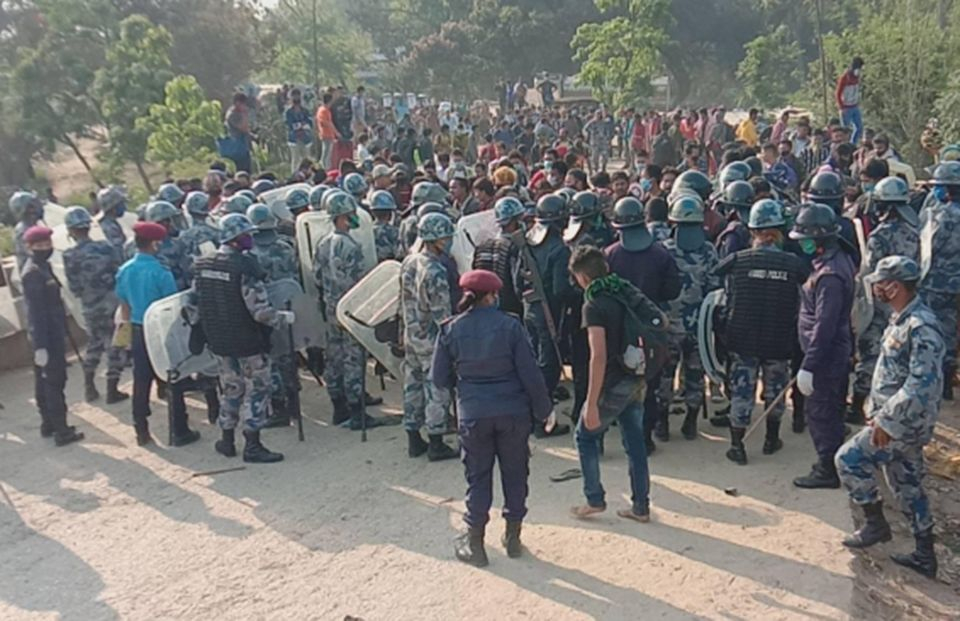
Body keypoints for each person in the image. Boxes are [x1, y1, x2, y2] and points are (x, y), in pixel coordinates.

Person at [432, 269, 554, 567]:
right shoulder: (510, 326)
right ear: (492, 295)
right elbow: (530, 374)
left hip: (474, 416)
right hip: (513, 414)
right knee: (515, 474)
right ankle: (513, 538)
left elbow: (438, 377)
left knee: (478, 478)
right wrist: (544, 410)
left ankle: (476, 545)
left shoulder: (450, 328)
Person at [835, 256, 942, 579]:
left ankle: (875, 524)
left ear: (894, 286)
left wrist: (887, 421)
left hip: (901, 425)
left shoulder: (921, 327)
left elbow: (921, 384)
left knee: (848, 459)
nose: (876, 288)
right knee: (907, 486)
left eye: (881, 283)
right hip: (895, 421)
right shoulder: (901, 319)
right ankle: (925, 554)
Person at [568, 245, 665, 522]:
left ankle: (594, 499)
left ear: (583, 278)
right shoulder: (624, 291)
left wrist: (591, 402)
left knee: (584, 437)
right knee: (634, 443)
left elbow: (597, 356)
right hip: (637, 375)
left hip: (613, 381)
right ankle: (640, 506)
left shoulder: (594, 305)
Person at [191, 214, 292, 463]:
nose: (250, 238)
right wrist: (284, 318)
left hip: (219, 341)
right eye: (246, 234)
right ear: (236, 239)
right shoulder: (244, 266)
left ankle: (226, 440)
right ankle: (253, 445)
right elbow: (259, 311)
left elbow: (194, 303)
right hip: (248, 342)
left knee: (231, 388)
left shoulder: (203, 264)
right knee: (258, 389)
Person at [714, 199, 805, 463]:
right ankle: (770, 439)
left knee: (742, 392)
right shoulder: (794, 264)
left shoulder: (738, 260)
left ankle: (737, 447)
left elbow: (717, 285)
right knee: (775, 393)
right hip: (779, 341)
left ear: (752, 232)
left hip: (742, 340)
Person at [115, 222, 200, 447]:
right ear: (155, 244)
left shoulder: (124, 270)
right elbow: (170, 307)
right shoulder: (161, 272)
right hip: (160, 331)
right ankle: (179, 430)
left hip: (136, 328)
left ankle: (140, 428)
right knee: (174, 376)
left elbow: (124, 305)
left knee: (141, 380)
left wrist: (125, 338)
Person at [790, 203, 856, 488]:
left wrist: (809, 365)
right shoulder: (834, 261)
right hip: (832, 353)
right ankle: (834, 459)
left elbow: (824, 326)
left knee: (821, 412)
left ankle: (827, 469)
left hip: (826, 356)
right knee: (831, 409)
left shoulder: (829, 275)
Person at [314, 192, 386, 430]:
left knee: (334, 359)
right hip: (350, 312)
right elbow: (358, 285)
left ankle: (338, 407)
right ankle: (357, 412)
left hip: (332, 311)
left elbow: (317, 278)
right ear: (343, 217)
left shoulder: (322, 244)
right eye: (351, 215)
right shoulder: (350, 246)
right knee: (353, 360)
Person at [850, 177, 919, 423]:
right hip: (906, 301)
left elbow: (868, 274)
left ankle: (858, 406)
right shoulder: (914, 233)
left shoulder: (879, 236)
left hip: (880, 302)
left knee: (869, 353)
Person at [658, 194, 720, 441]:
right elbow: (716, 288)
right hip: (699, 327)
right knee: (695, 374)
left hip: (669, 325)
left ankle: (662, 424)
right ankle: (691, 422)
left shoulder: (664, 250)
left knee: (665, 374)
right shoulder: (708, 251)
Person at [400, 212, 459, 460]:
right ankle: (436, 441)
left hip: (411, 334)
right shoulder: (435, 271)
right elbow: (442, 315)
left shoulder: (409, 261)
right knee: (438, 387)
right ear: (437, 239)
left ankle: (414, 438)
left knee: (412, 385)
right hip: (430, 338)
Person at [20, 225, 85, 446]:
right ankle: (61, 430)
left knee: (44, 381)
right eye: (39, 245)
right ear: (29, 247)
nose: (44, 248)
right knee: (54, 382)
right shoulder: (32, 273)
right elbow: (35, 313)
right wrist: (40, 346)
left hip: (52, 333)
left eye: (47, 244)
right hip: (46, 338)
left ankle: (48, 424)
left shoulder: (42, 267)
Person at [62, 207, 128, 404]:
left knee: (94, 344)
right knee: (117, 344)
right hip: (111, 303)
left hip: (90, 306)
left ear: (71, 231)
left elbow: (74, 287)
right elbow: (119, 272)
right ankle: (112, 389)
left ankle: (89, 385)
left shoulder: (68, 256)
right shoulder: (105, 248)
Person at [523, 194, 575, 433]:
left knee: (533, 364)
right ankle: (541, 421)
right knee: (549, 367)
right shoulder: (559, 250)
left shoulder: (526, 243)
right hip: (550, 315)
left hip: (530, 311)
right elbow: (561, 290)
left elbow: (517, 282)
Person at [918, 161, 960, 400]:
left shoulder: (942, 215)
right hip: (956, 283)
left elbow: (928, 247)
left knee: (931, 329)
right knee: (951, 328)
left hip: (935, 282)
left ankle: (932, 379)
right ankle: (948, 376)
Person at [472, 197, 525, 317]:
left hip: (484, 310)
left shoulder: (482, 246)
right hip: (510, 311)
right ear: (514, 221)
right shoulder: (515, 247)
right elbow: (518, 285)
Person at [284, 88, 314, 174]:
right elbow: (290, 125)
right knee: (295, 159)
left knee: (307, 159)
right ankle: (295, 176)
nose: (296, 98)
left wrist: (301, 125)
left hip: (306, 138)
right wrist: (301, 124)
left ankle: (308, 175)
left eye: (298, 95)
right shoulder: (288, 112)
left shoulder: (305, 110)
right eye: (294, 96)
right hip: (294, 139)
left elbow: (310, 123)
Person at [836, 57, 864, 145]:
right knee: (845, 130)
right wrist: (841, 106)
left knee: (859, 128)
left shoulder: (857, 77)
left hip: (855, 106)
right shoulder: (845, 78)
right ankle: (845, 145)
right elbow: (838, 93)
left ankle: (853, 144)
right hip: (846, 108)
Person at [224, 92, 253, 173]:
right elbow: (243, 128)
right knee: (242, 170)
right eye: (243, 104)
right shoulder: (232, 115)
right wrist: (244, 114)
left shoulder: (239, 113)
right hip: (238, 146)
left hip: (244, 145)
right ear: (237, 103)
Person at [370, 190, 401, 262]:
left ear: (372, 212)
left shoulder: (366, 231)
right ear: (390, 213)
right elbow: (399, 254)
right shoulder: (395, 232)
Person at [96, 186, 129, 250]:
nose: (124, 207)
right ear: (112, 207)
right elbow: (119, 250)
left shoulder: (110, 222)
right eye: (121, 204)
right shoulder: (109, 227)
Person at [316, 92, 338, 170]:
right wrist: (336, 132)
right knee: (326, 155)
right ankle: (324, 169)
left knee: (328, 154)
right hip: (326, 135)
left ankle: (326, 168)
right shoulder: (323, 110)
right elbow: (327, 123)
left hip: (329, 135)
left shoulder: (325, 110)